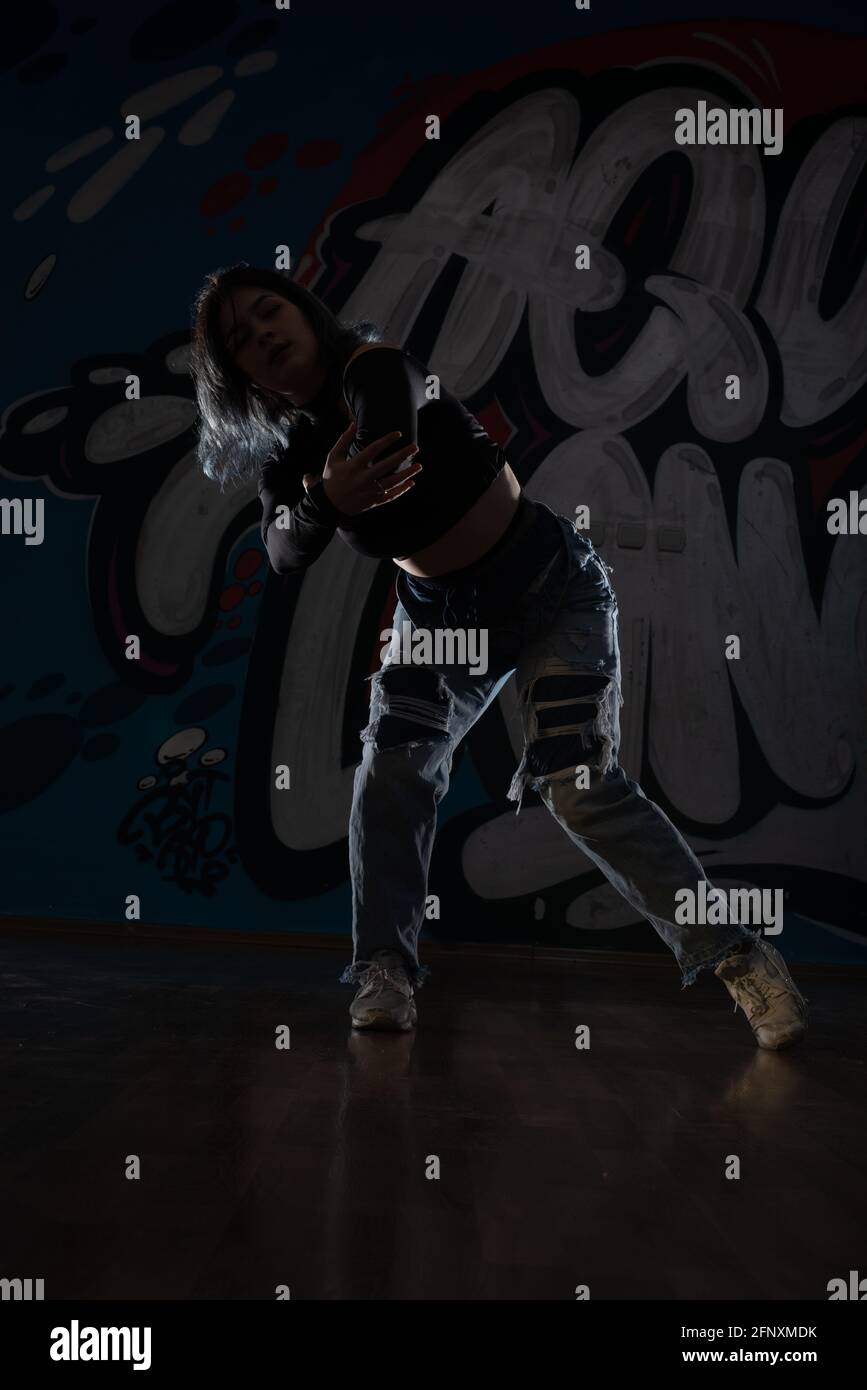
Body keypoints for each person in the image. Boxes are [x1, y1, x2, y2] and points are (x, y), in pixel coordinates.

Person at [191, 263, 808, 1049]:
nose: (265, 335)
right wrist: (323, 503)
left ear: (306, 311)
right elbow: (282, 550)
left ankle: (738, 957)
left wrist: (330, 505)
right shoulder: (290, 457)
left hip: (553, 590)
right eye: (242, 339)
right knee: (391, 774)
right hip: (442, 621)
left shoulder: (375, 368)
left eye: (270, 311)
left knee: (575, 781)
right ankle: (385, 971)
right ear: (236, 370)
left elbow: (384, 464)